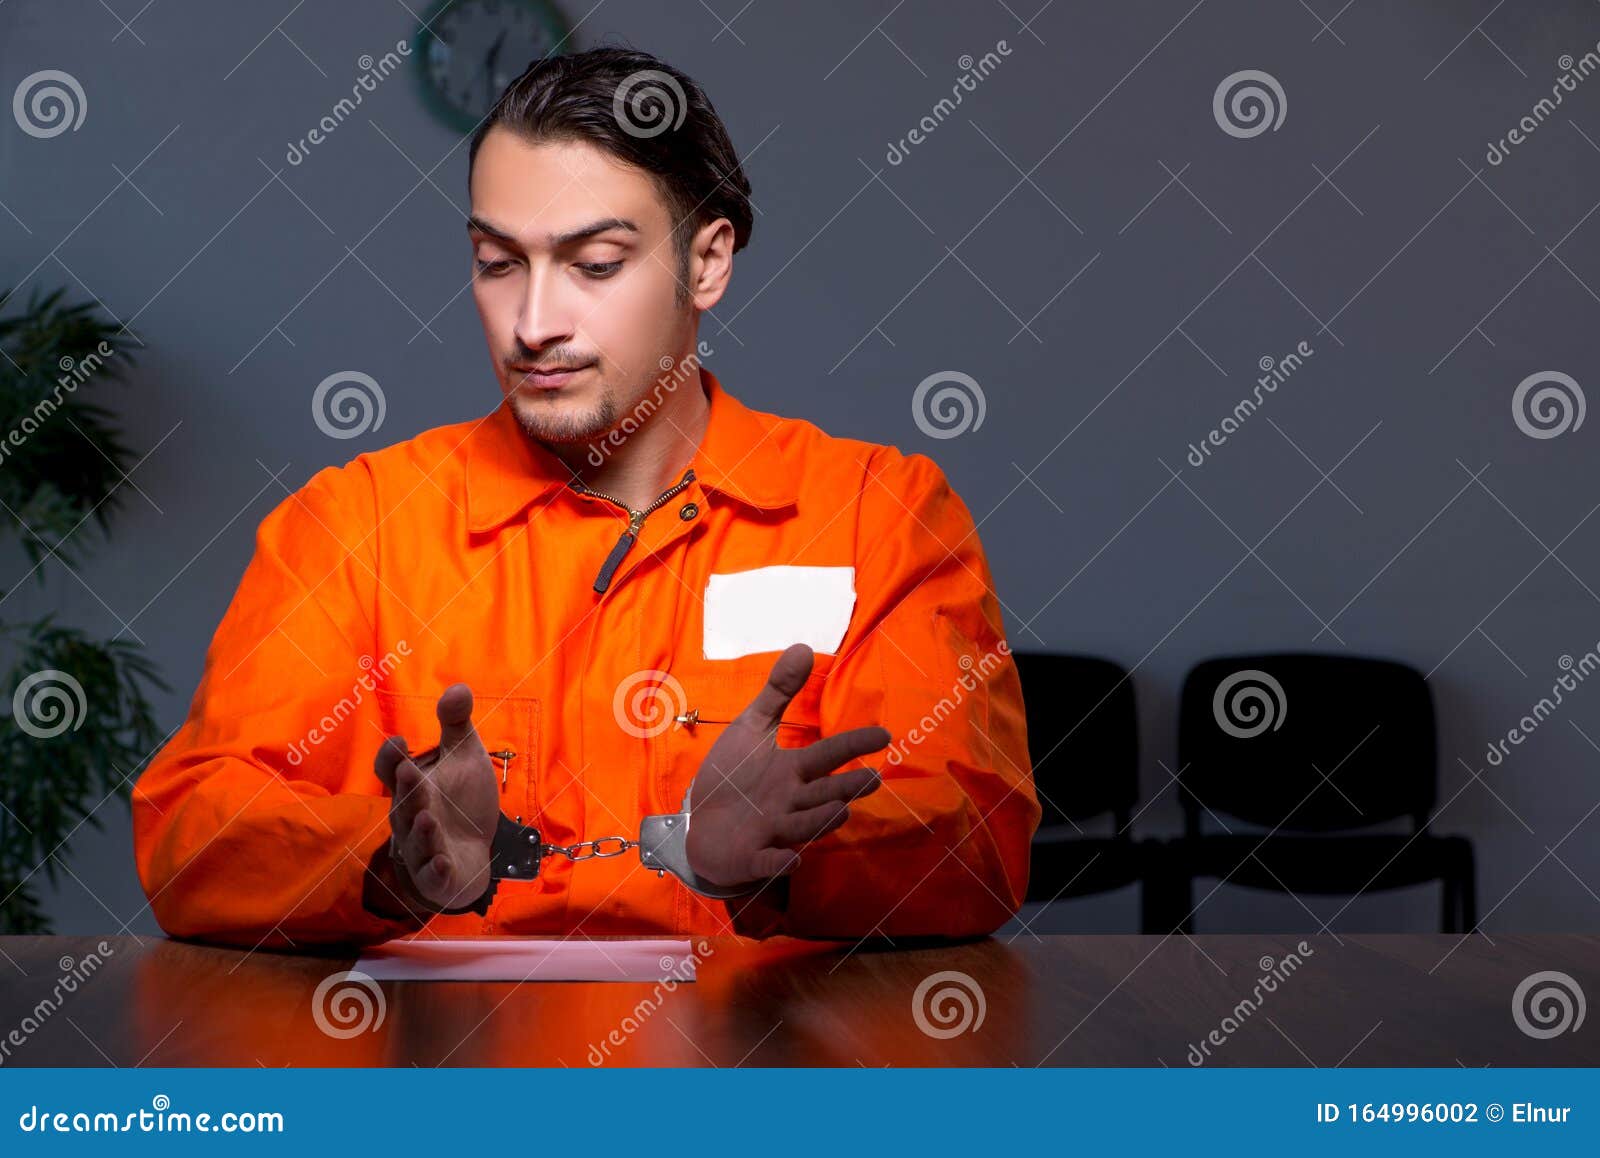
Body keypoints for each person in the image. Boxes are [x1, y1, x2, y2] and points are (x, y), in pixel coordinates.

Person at [131, 47, 1040, 949]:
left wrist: (778, 858)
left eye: (595, 264)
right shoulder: (354, 525)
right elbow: (194, 834)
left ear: (709, 261)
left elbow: (978, 842)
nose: (533, 324)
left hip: (755, 1078)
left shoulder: (877, 515)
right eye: (498, 263)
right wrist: (388, 863)